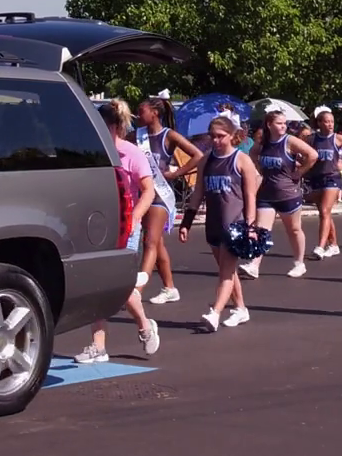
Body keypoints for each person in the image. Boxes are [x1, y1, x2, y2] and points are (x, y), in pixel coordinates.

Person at [75, 100, 162, 362]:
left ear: (113, 126)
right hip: (98, 226)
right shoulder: (92, 154)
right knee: (97, 285)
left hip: (126, 227)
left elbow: (148, 191)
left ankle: (145, 327)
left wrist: (136, 216)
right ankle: (98, 346)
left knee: (121, 287)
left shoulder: (131, 153)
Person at [176, 114, 261, 332]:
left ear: (234, 136)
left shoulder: (241, 160)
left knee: (225, 273)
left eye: (221, 136)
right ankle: (241, 309)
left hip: (235, 225)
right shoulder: (207, 160)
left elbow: (250, 196)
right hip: (213, 224)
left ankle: (215, 313)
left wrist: (250, 227)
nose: (216, 140)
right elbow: (198, 194)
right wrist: (187, 221)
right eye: (212, 136)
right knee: (228, 271)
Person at [137, 95, 204, 305]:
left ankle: (137, 290)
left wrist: (176, 174)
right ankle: (170, 288)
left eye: (142, 111)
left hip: (160, 195)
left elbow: (197, 155)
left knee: (149, 243)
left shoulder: (169, 136)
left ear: (154, 113)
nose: (138, 115)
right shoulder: (137, 136)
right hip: (144, 195)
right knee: (157, 244)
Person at [249, 108, 320, 278]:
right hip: (266, 194)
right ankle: (254, 265)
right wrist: (258, 169)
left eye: (284, 124)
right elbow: (252, 153)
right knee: (261, 230)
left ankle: (299, 263)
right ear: (269, 124)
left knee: (294, 230)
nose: (283, 127)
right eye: (279, 123)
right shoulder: (264, 141)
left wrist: (299, 172)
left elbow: (313, 155)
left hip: (288, 194)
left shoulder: (289, 141)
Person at [305, 106, 342, 259]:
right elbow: (301, 153)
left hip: (333, 177)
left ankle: (320, 247)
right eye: (326, 122)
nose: (330, 125)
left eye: (332, 122)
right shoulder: (311, 139)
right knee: (324, 213)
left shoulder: (338, 139)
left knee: (326, 211)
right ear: (319, 123)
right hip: (316, 178)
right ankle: (333, 245)